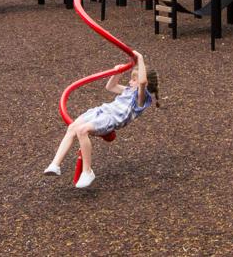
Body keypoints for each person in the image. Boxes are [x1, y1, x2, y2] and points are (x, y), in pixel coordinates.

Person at [44, 51, 159, 188]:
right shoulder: (128, 90)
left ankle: (87, 172)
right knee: (73, 127)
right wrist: (117, 73)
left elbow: (142, 82)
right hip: (100, 111)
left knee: (82, 131)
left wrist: (139, 58)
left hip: (111, 118)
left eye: (133, 79)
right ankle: (55, 164)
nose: (130, 81)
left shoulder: (141, 99)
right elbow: (110, 87)